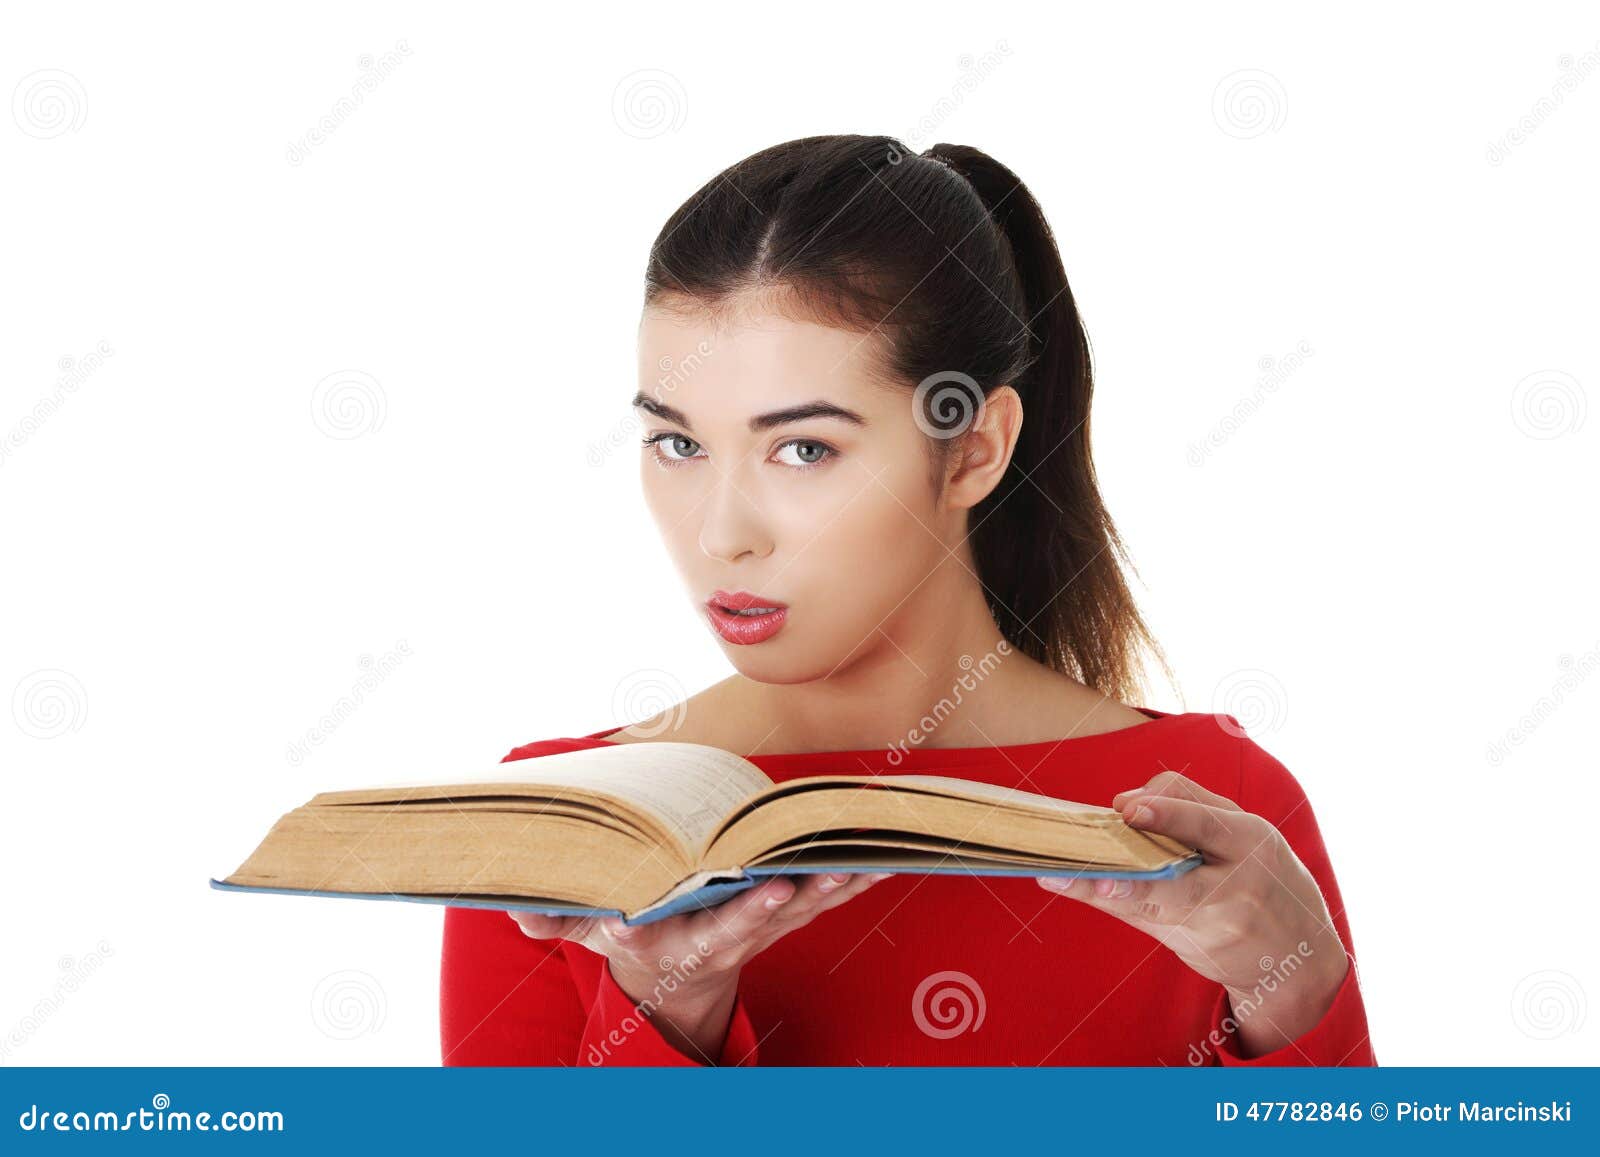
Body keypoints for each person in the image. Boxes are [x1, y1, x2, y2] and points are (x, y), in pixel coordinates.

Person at [440, 135, 1375, 1066]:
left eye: (803, 448)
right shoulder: (562, 824)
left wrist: (1295, 995)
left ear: (974, 447)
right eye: (678, 445)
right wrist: (662, 1012)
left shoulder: (1219, 810)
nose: (723, 534)